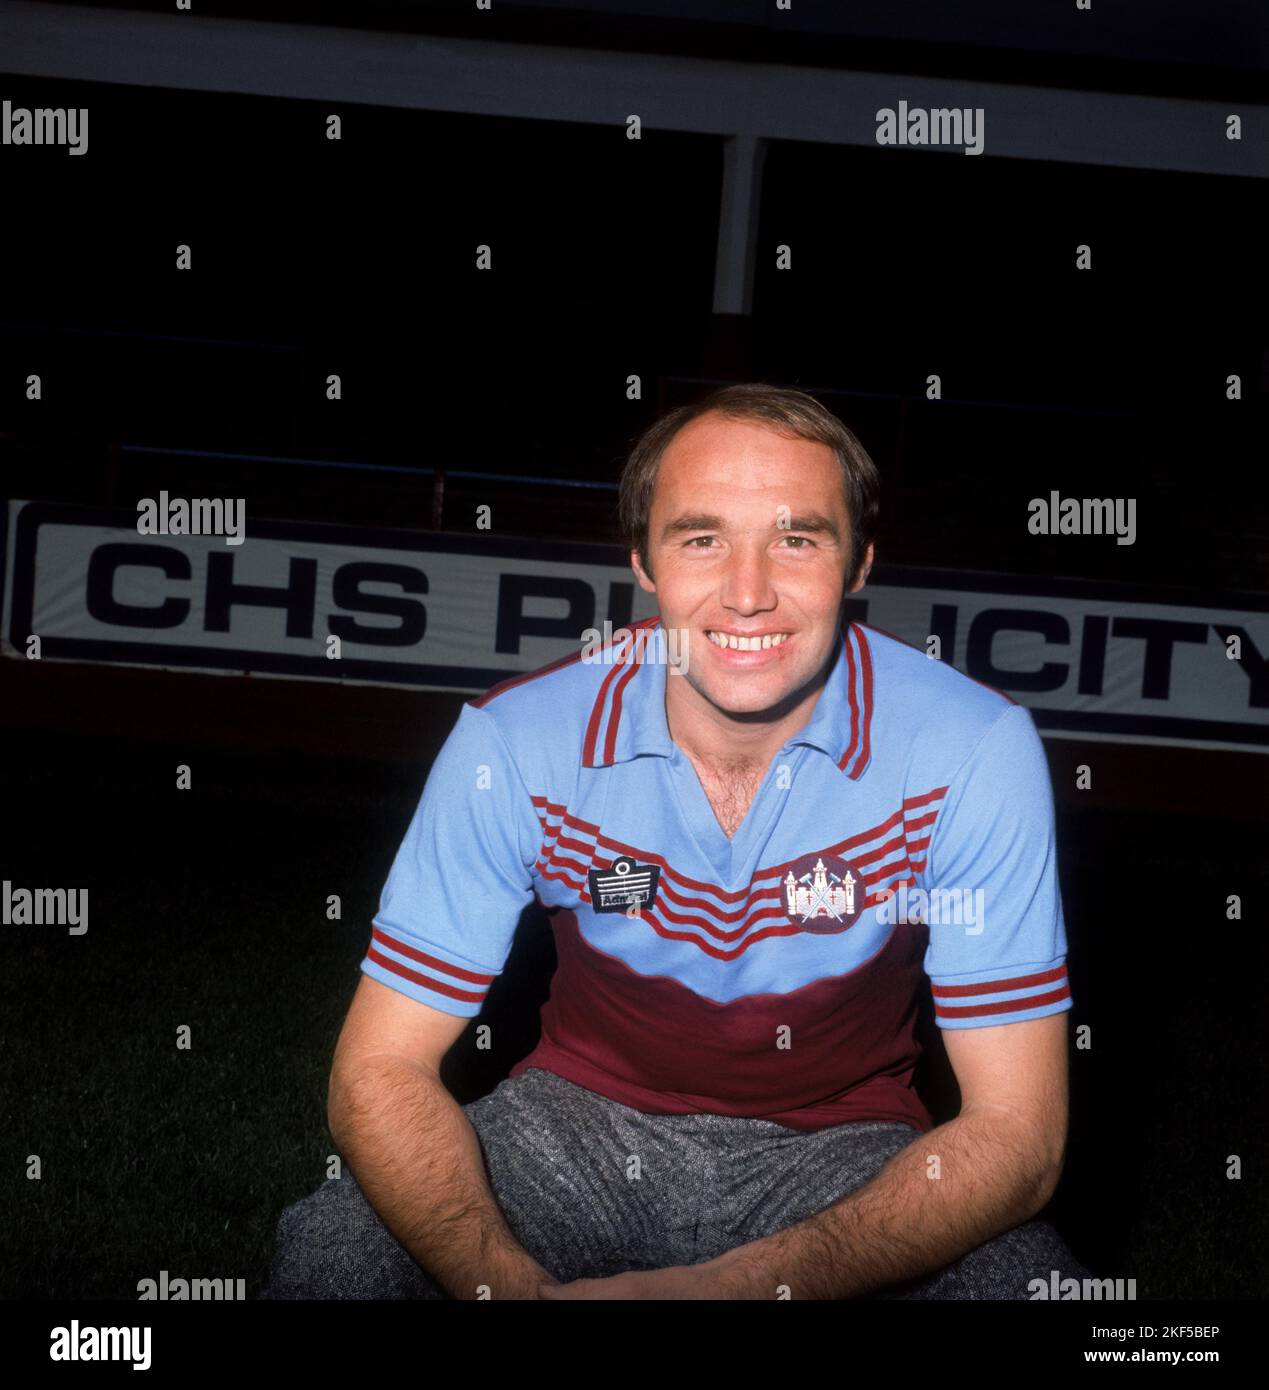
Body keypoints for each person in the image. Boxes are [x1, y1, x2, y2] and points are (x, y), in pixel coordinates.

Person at [263, 383, 1090, 1300]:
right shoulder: (515, 741)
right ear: (643, 562)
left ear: (858, 564)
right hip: (572, 1127)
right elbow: (378, 1068)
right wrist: (496, 1282)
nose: (746, 593)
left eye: (796, 538)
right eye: (701, 538)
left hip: (843, 1149)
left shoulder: (971, 748)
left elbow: (1021, 1137)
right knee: (336, 1259)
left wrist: (740, 1287)